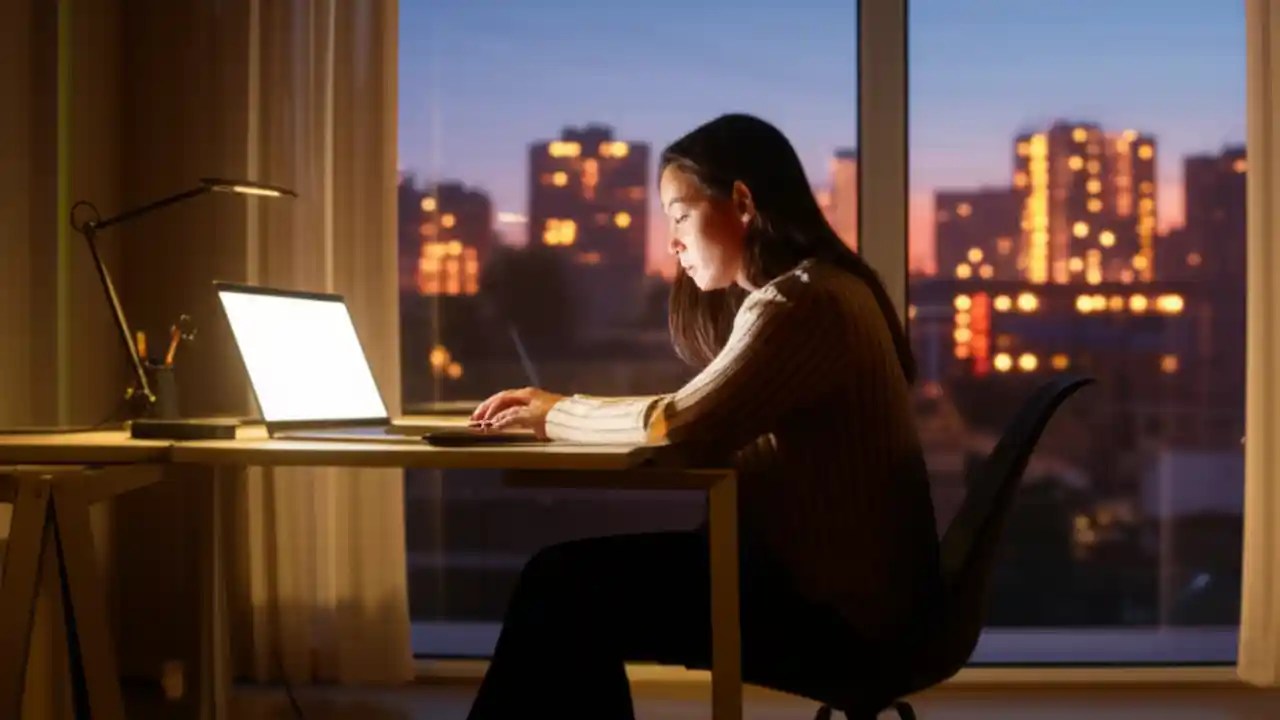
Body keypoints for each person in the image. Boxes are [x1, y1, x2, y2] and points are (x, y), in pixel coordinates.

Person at [465, 113, 943, 719]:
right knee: (566, 584)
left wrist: (554, 414)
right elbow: (687, 414)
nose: (671, 242)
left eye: (680, 216)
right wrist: (560, 410)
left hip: (837, 615)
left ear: (741, 202)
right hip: (842, 594)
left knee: (562, 586)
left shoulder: (801, 302)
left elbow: (681, 425)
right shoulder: (819, 290)